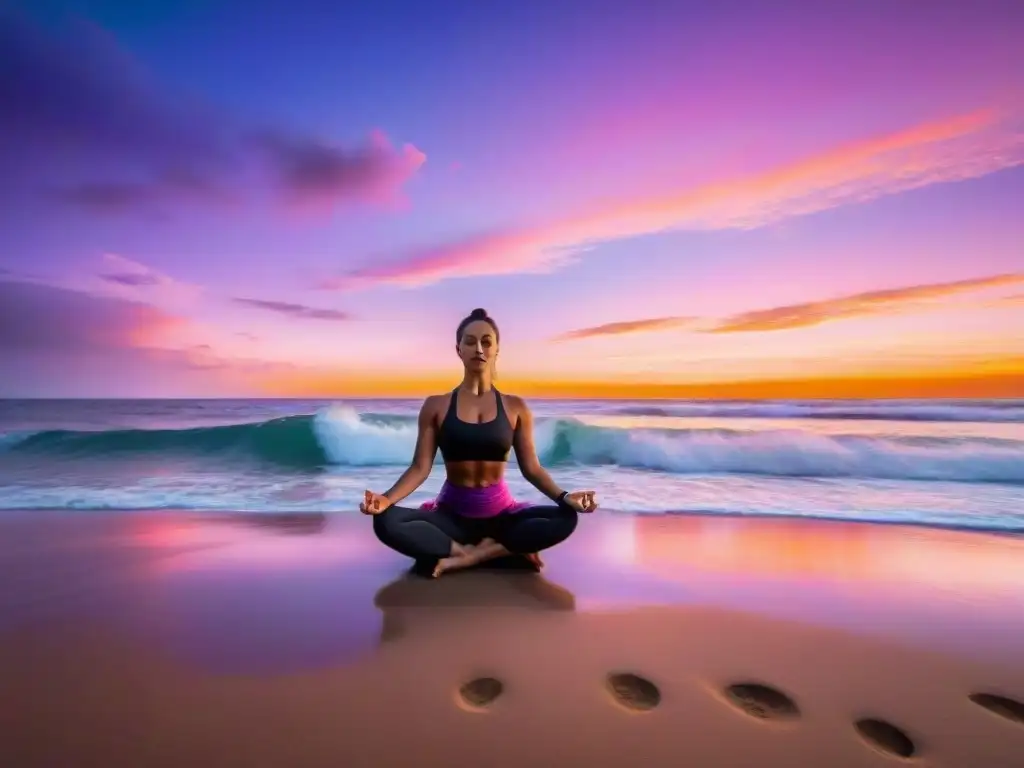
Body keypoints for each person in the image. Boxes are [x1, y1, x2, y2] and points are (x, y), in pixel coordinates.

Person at [361, 307, 598, 578]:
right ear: (458, 349)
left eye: (486, 342)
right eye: (470, 341)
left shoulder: (515, 407)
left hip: (502, 519)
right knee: (386, 521)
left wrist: (566, 497)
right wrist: (385, 499)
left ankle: (466, 557)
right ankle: (497, 551)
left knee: (566, 517)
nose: (479, 348)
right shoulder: (436, 406)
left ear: (497, 349)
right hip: (450, 520)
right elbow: (419, 468)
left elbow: (531, 468)